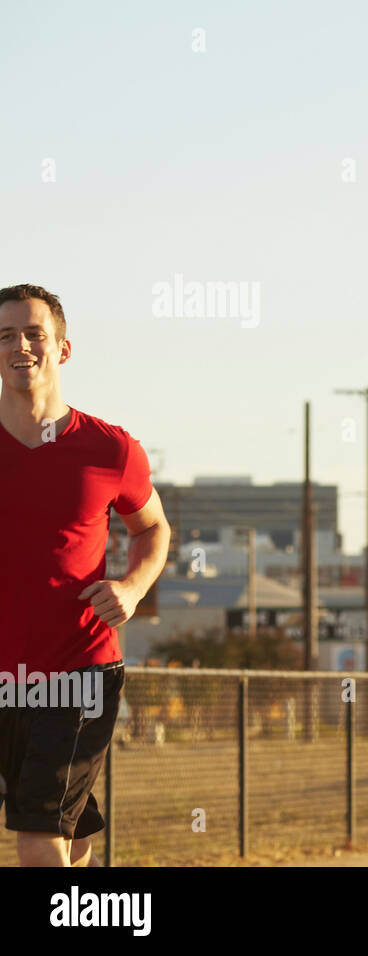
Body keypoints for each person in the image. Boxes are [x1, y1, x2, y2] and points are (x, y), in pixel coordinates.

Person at [0, 284, 170, 866]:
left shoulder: (109, 449)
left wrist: (132, 585)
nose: (19, 346)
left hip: (79, 670)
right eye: (5, 336)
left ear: (63, 349)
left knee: (36, 834)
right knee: (60, 831)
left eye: (33, 334)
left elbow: (153, 529)